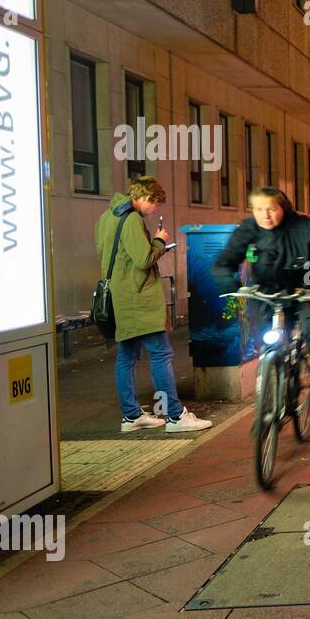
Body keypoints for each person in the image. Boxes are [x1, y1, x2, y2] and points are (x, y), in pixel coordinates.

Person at [95, 177, 212, 433]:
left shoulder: (107, 216)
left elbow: (105, 251)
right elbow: (143, 258)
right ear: (146, 198)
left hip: (121, 296)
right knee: (161, 354)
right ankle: (175, 416)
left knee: (126, 355)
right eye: (156, 204)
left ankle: (131, 416)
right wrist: (159, 241)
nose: (155, 210)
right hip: (138, 300)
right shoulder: (132, 219)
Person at [213, 187, 310, 397]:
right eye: (258, 209)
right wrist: (228, 283)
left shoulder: (307, 229)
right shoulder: (249, 229)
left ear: (283, 207)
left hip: (308, 292)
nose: (265, 215)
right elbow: (225, 261)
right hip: (268, 292)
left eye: (271, 209)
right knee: (264, 336)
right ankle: (274, 370)